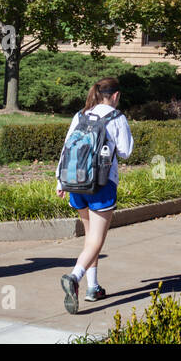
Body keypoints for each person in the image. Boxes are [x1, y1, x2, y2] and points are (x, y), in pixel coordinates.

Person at [57, 76, 134, 314]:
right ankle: (74, 277)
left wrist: (60, 181)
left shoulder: (80, 115)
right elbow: (126, 152)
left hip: (74, 183)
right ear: (115, 96)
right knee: (96, 240)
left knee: (89, 238)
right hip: (101, 184)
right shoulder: (117, 117)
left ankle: (93, 287)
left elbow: (66, 147)